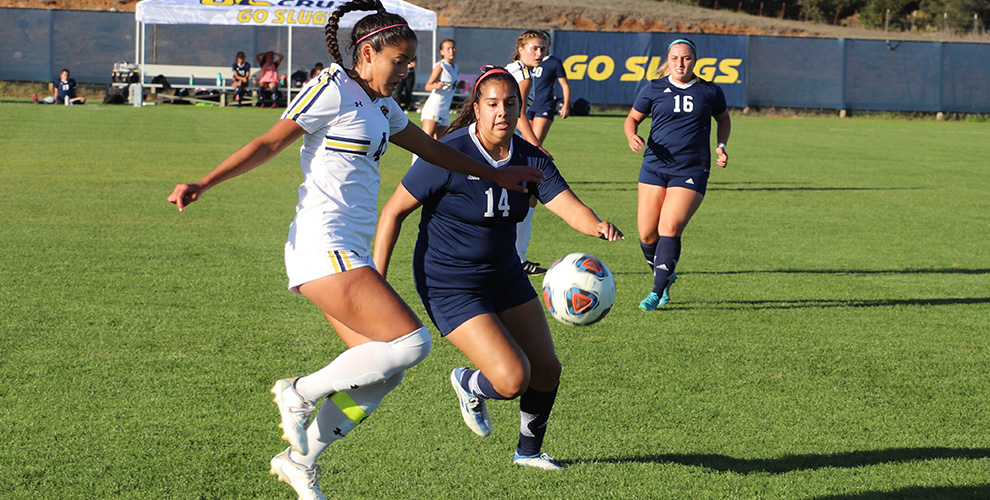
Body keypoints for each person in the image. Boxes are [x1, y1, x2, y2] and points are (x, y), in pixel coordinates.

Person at [166, 2, 543, 498]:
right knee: (413, 344)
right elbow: (268, 143)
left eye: (411, 62)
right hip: (323, 244)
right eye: (400, 60)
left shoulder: (381, 105)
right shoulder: (332, 88)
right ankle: (298, 392)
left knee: (381, 370)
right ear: (366, 53)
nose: (408, 70)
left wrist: (494, 173)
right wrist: (205, 182)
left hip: (347, 251)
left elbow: (433, 149)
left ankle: (300, 460)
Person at [374, 64, 622, 471]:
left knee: (546, 369)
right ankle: (467, 382)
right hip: (450, 285)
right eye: (492, 104)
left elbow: (566, 203)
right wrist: (378, 282)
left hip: (505, 275)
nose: (502, 112)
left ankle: (528, 452)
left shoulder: (529, 157)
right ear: (477, 107)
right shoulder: (448, 154)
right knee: (510, 379)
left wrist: (595, 224)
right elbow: (393, 213)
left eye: (510, 103)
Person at [624, 38, 731, 311]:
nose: (680, 63)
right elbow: (632, 118)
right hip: (654, 167)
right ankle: (666, 273)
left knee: (668, 227)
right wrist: (631, 135)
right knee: (647, 234)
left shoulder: (709, 91)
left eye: (685, 58)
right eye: (674, 58)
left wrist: (721, 146)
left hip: (691, 169)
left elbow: (724, 119)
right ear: (667, 60)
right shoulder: (654, 88)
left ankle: (656, 291)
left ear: (694, 61)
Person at [506, 30, 549, 275]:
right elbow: (519, 113)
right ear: (521, 49)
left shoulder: (514, 69)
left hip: (497, 140)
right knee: (526, 194)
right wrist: (535, 145)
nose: (539, 53)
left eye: (543, 48)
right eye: (534, 48)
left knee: (526, 194)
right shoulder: (522, 75)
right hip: (504, 142)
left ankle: (516, 257)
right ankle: (517, 258)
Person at [528, 42, 571, 145]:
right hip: (528, 105)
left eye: (542, 47)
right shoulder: (528, 62)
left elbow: (565, 85)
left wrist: (565, 105)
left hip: (544, 105)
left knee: (535, 144)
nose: (539, 51)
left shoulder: (554, 63)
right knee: (525, 143)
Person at [419, 39, 458, 139]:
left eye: (453, 48)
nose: (451, 51)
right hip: (434, 107)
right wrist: (436, 85)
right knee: (426, 138)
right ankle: (416, 156)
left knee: (442, 141)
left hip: (445, 109)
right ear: (442, 52)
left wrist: (459, 85)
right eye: (448, 48)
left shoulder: (455, 67)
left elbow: (450, 85)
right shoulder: (440, 66)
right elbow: (427, 86)